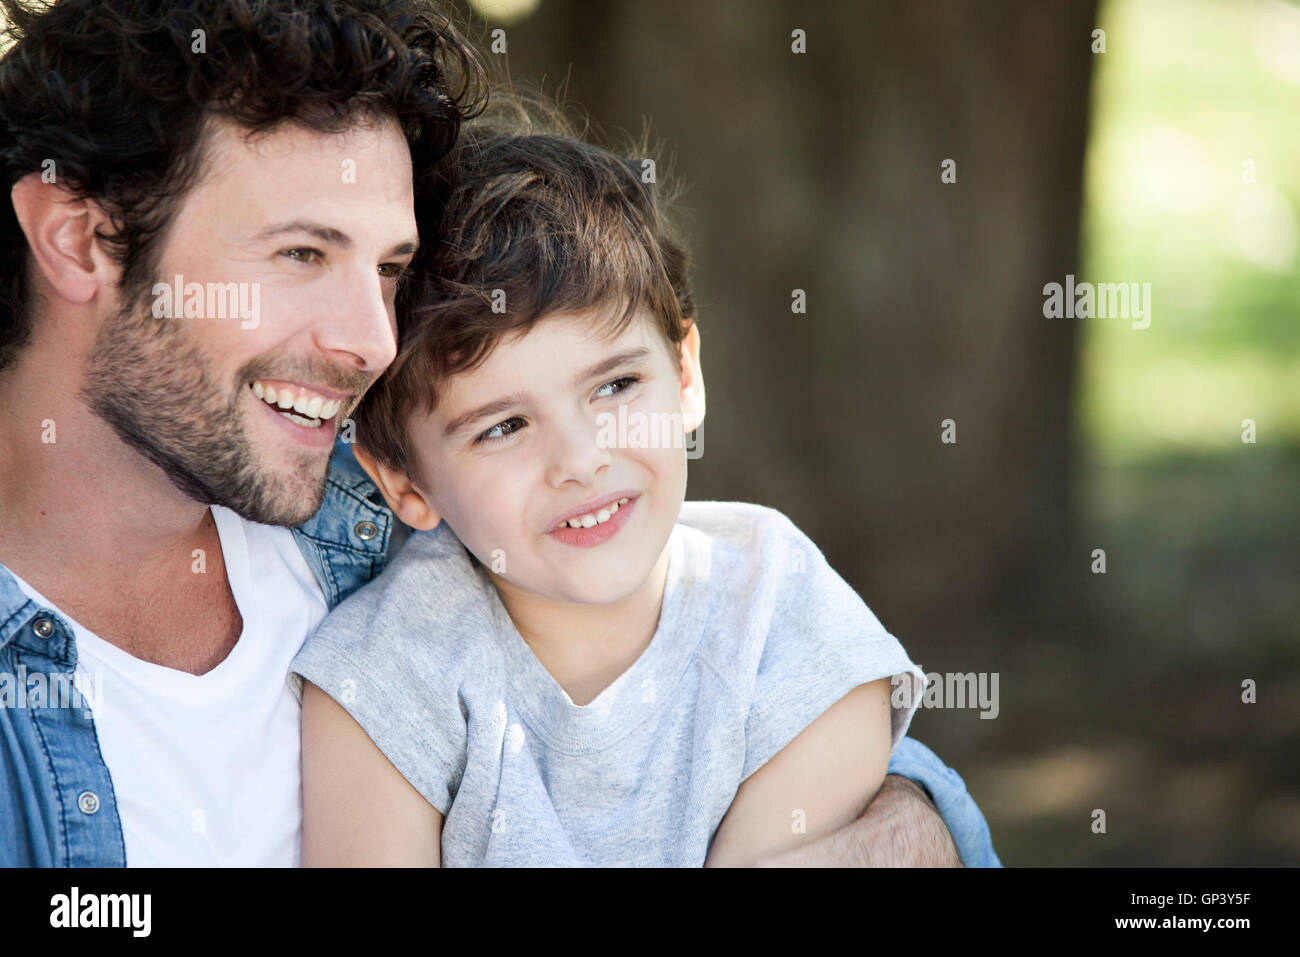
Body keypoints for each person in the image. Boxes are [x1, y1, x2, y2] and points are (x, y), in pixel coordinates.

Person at [0, 0, 997, 867]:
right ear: (79, 239)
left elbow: (806, 737)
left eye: (387, 270)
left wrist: (913, 825)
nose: (370, 343)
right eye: (301, 252)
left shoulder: (359, 501)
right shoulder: (396, 599)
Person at [291, 112, 995, 866]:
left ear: (685, 377)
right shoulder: (384, 680)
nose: (581, 458)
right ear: (402, 482)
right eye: (502, 427)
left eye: (616, 384)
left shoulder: (781, 611)